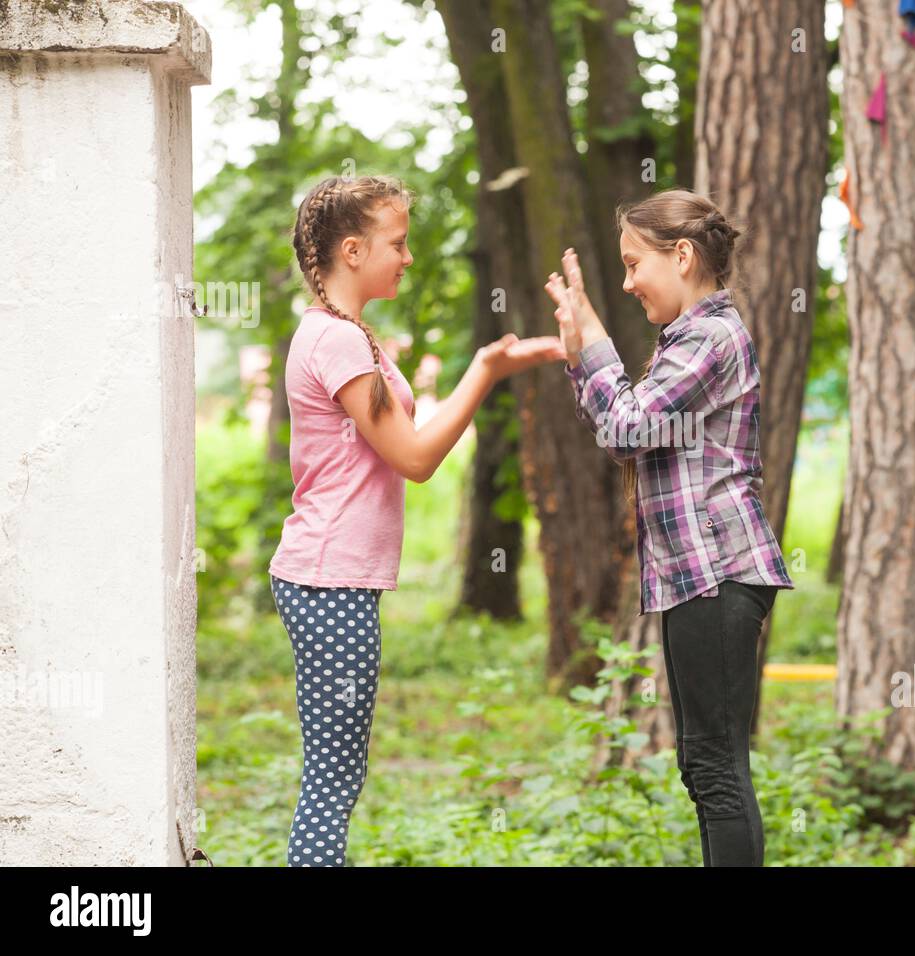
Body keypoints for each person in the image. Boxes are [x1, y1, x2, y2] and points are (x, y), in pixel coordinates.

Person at [268, 174, 565, 866]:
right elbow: (417, 456)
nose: (407, 257)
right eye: (396, 244)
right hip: (327, 580)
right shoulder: (337, 343)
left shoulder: (343, 334)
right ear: (350, 250)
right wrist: (486, 370)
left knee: (335, 775)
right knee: (333, 779)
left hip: (333, 579)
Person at [544, 188, 795, 866]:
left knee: (715, 766)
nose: (627, 283)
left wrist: (591, 339)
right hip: (700, 578)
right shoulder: (689, 339)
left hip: (717, 576)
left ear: (681, 255)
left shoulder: (709, 339)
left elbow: (626, 429)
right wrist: (581, 356)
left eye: (633, 264)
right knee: (702, 762)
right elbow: (626, 424)